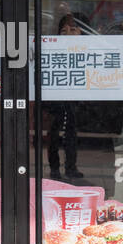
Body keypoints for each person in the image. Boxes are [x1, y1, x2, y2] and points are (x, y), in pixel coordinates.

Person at [47, 13, 85, 181]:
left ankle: (71, 167)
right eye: (64, 30)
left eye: (73, 29)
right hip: (56, 93)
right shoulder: (52, 45)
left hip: (73, 93)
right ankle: (54, 168)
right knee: (54, 132)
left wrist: (76, 41)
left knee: (71, 131)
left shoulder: (85, 46)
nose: (69, 33)